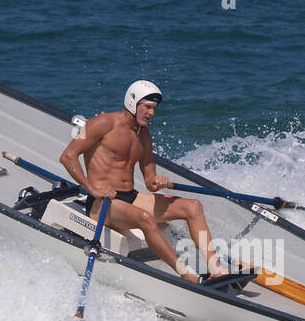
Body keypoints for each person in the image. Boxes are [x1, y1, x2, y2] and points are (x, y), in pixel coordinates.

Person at [58, 81, 227, 282]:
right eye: (147, 107)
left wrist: (158, 181)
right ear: (132, 103)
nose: (151, 113)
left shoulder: (144, 136)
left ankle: (217, 270)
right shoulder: (99, 123)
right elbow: (67, 156)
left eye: (154, 109)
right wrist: (92, 189)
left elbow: (150, 181)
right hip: (101, 203)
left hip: (130, 197)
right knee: (145, 218)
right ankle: (188, 276)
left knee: (193, 207)